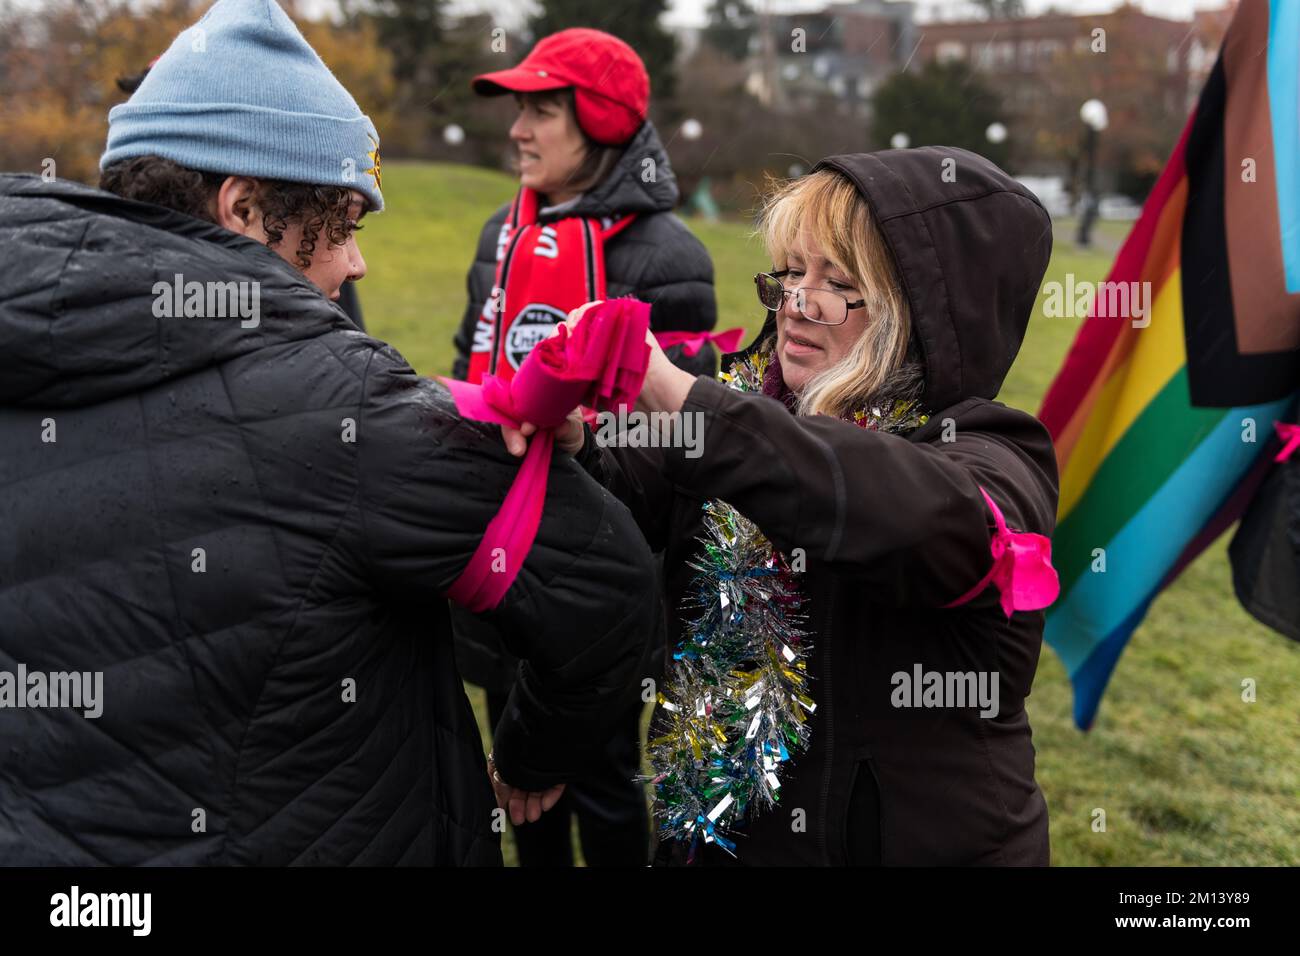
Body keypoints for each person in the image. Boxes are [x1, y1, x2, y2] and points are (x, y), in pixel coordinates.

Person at [0, 0, 656, 866]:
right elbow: (607, 587)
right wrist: (532, 755)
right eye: (342, 223)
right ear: (241, 208)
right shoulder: (351, 415)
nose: (357, 262)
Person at [544, 147, 1059, 865]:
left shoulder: (995, 450)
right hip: (717, 835)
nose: (796, 303)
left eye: (838, 283)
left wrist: (682, 395)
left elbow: (915, 515)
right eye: (790, 273)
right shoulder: (749, 406)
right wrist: (574, 445)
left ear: (921, 314)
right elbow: (620, 499)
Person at [450, 27, 716, 867]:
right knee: (516, 781)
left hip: (600, 574)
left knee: (601, 784)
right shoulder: (501, 233)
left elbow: (684, 441)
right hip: (496, 558)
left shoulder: (668, 255)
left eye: (543, 110)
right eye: (517, 109)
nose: (518, 130)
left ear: (599, 121)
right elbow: (467, 364)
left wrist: (579, 441)